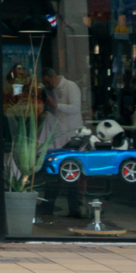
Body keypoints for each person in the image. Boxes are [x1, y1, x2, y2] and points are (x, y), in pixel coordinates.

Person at [42, 68, 84, 218]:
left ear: (53, 76)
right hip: (59, 134)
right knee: (54, 170)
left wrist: (56, 105)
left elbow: (76, 108)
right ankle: (48, 205)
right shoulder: (49, 90)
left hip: (72, 135)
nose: (48, 85)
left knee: (70, 172)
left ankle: (74, 208)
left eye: (48, 81)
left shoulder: (70, 86)